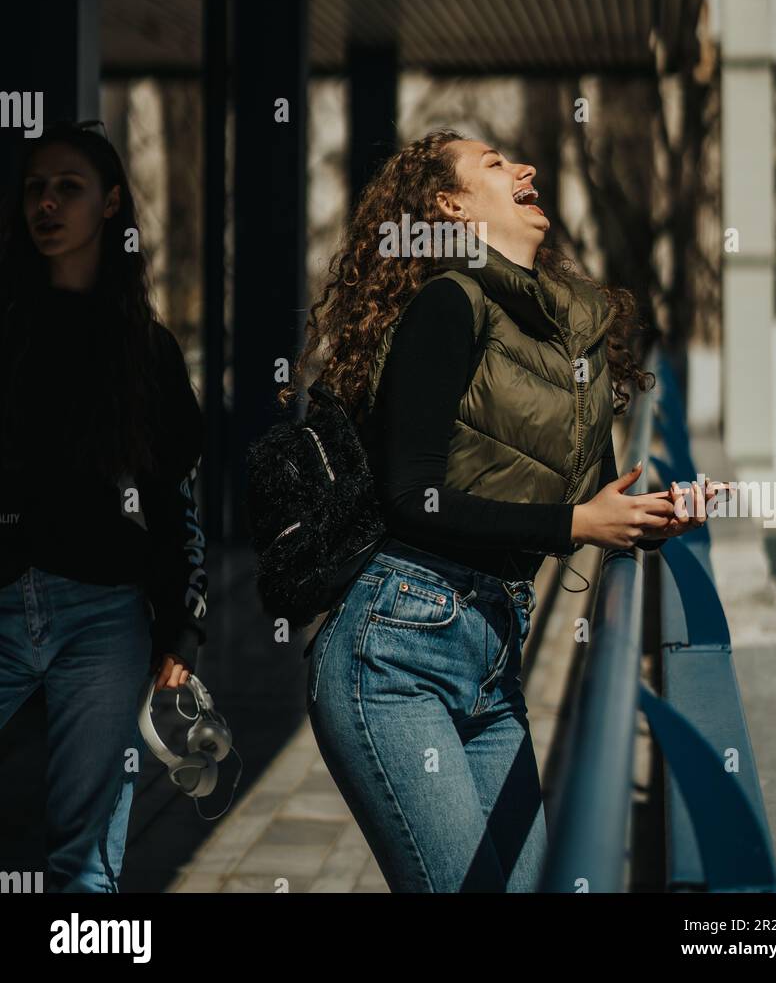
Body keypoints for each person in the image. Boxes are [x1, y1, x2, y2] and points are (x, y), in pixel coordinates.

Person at [286, 128, 706, 893]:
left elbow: (590, 499)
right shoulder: (449, 304)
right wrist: (577, 528)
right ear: (450, 205)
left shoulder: (565, 326)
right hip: (396, 650)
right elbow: (411, 498)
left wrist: (654, 514)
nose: (527, 167)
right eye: (495, 163)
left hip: (491, 650)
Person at [0, 119, 206, 893]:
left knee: (84, 862)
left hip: (102, 618)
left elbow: (171, 501)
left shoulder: (144, 351)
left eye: (68, 188)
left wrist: (183, 623)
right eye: (34, 189)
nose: (46, 204)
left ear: (111, 203)